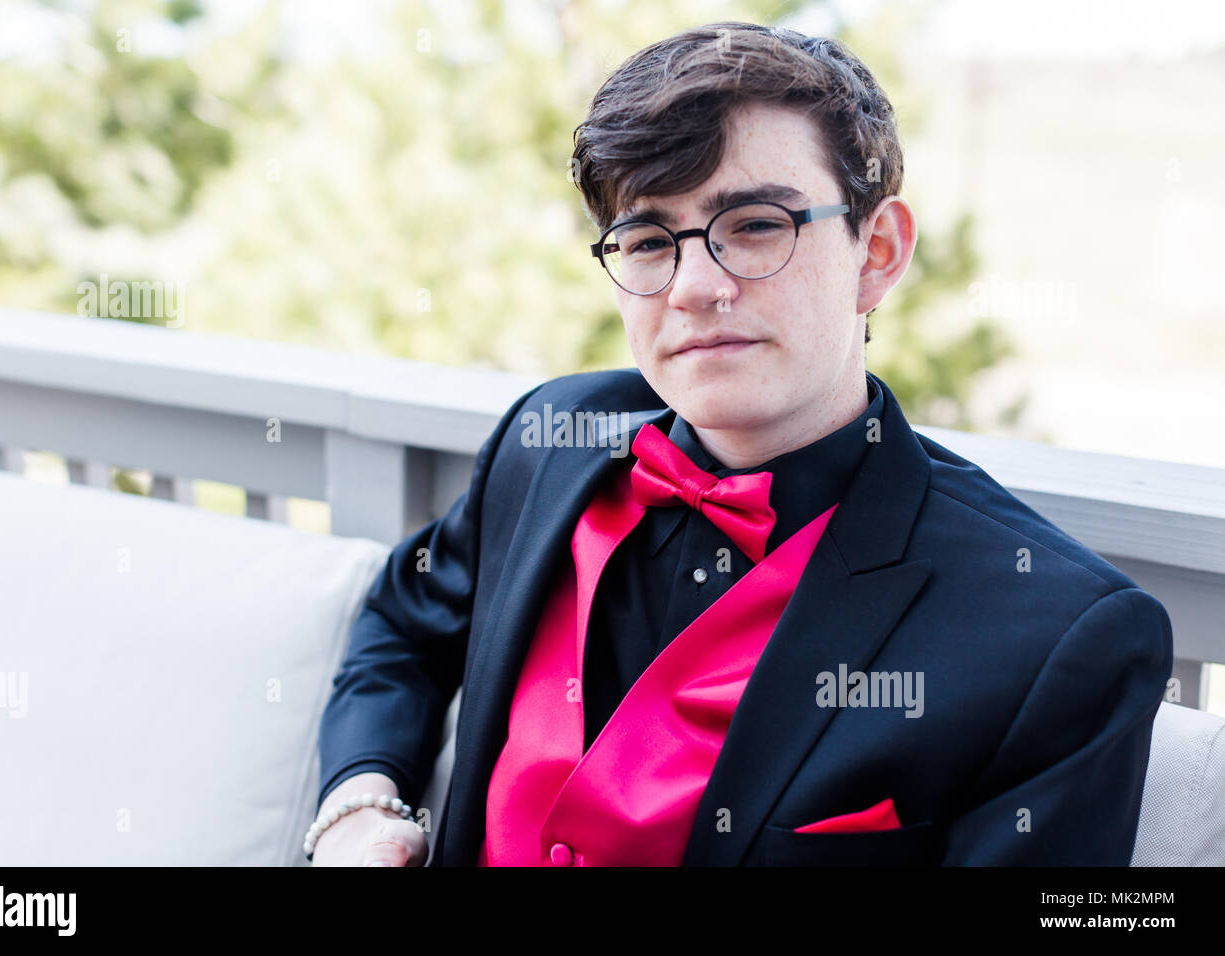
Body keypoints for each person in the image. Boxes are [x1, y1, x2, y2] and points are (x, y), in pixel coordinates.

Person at [310, 22, 1172, 867]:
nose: (694, 287)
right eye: (649, 240)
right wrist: (362, 802)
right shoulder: (548, 442)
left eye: (756, 224)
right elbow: (404, 619)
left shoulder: (1060, 636)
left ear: (875, 252)